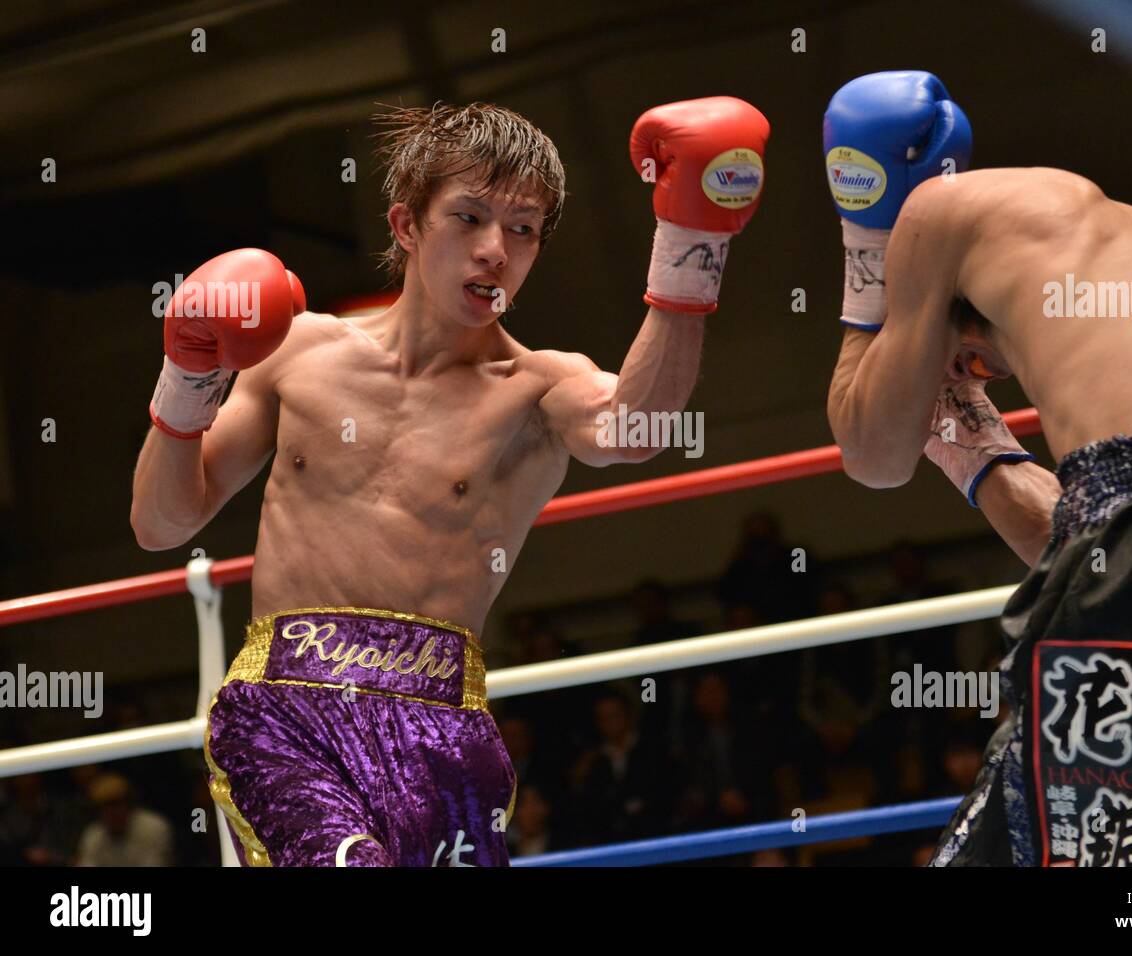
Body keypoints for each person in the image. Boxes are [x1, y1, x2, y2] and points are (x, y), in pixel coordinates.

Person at [130, 98, 768, 866]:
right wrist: (187, 374)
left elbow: (634, 431)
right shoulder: (298, 353)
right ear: (405, 227)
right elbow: (162, 523)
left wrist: (689, 246)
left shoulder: (534, 388)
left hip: (444, 734)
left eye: (523, 229)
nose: (496, 250)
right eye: (469, 218)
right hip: (285, 719)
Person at [823, 71, 1132, 865]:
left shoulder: (940, 211)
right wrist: (977, 447)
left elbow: (872, 451)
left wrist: (868, 242)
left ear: (965, 354)